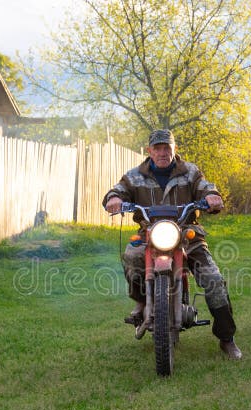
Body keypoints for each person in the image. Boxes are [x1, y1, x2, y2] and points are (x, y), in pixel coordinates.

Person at [103, 129, 242, 360]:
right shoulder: (135, 175)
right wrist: (114, 199)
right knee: (130, 253)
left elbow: (205, 185)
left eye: (166, 147)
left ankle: (226, 339)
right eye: (157, 148)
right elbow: (119, 189)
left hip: (188, 235)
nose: (162, 152)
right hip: (150, 234)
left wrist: (212, 196)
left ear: (174, 149)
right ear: (150, 151)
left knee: (214, 281)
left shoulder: (189, 171)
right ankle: (141, 301)